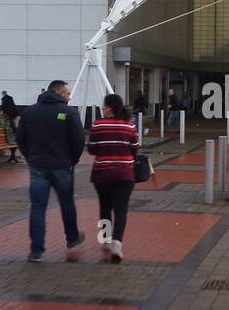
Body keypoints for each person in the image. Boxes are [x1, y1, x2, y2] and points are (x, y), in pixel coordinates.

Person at [16, 80, 86, 262]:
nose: (70, 97)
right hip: (62, 166)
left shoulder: (30, 112)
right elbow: (78, 140)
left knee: (38, 207)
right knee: (67, 203)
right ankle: (71, 237)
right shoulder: (69, 113)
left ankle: (36, 250)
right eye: (68, 93)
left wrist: (29, 156)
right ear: (60, 92)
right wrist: (73, 160)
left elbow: (20, 137)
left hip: (38, 166)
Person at [87, 93, 139, 263]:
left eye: (104, 105)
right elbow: (134, 148)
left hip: (102, 174)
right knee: (121, 209)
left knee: (105, 207)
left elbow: (92, 149)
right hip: (125, 174)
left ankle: (106, 240)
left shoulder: (98, 125)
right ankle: (117, 243)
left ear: (109, 107)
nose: (102, 107)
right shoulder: (130, 125)